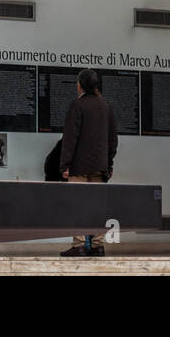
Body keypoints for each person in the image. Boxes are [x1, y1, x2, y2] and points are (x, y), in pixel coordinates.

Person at [58, 69, 118, 258]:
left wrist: (65, 165)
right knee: (97, 206)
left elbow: (70, 138)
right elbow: (113, 139)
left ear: (80, 85)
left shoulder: (77, 105)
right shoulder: (106, 106)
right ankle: (98, 244)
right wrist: (109, 165)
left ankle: (79, 244)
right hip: (100, 166)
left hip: (79, 166)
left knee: (77, 205)